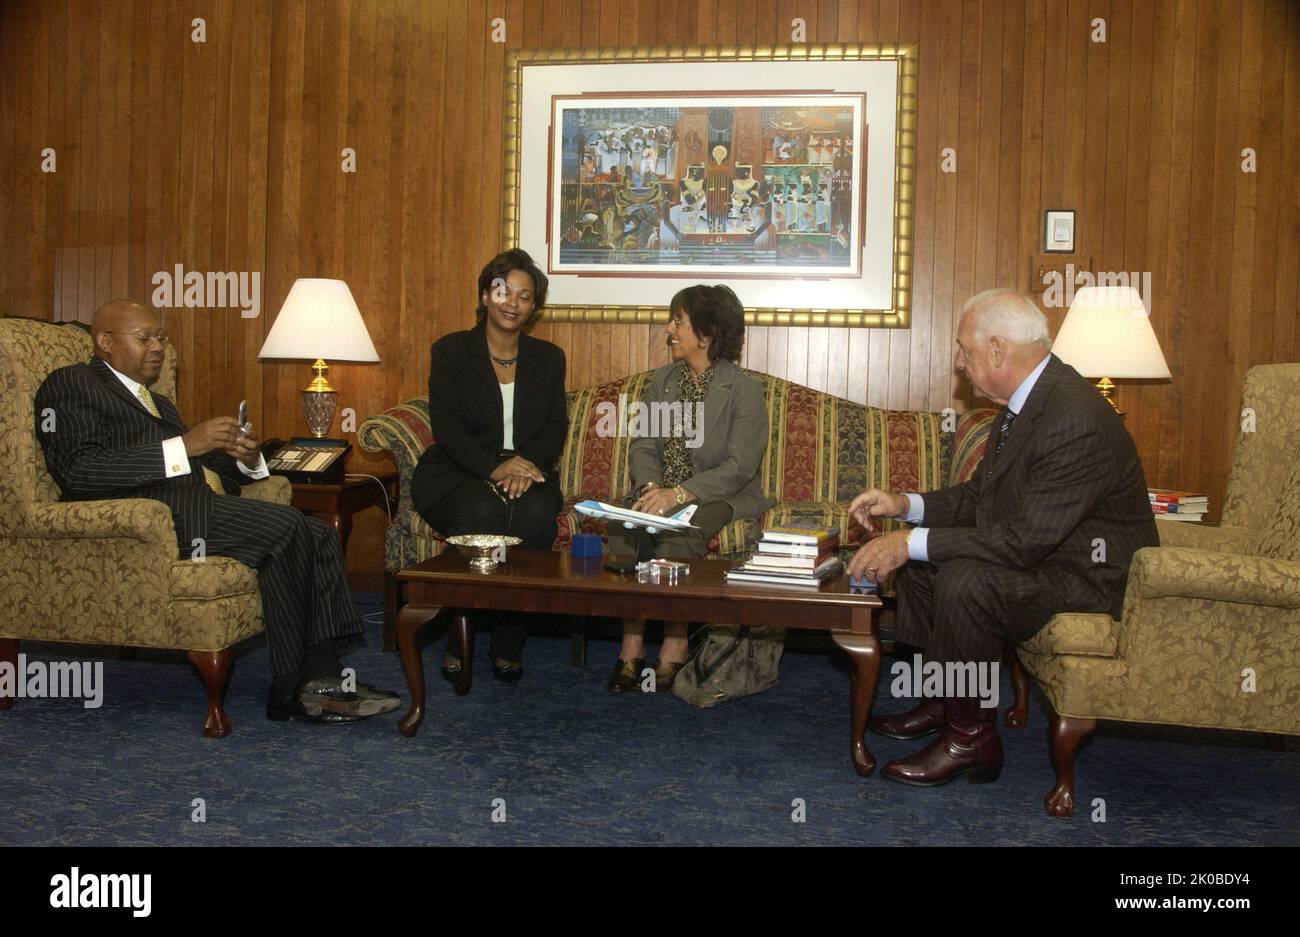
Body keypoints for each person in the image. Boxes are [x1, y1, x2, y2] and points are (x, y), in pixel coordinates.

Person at [846, 288, 1159, 785]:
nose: (959, 362)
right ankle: (947, 700)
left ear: (997, 349)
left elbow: (1024, 541)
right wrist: (905, 506)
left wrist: (906, 543)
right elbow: (980, 499)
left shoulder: (1074, 418)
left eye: (964, 350)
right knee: (928, 562)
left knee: (965, 578)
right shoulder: (1029, 402)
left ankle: (970, 739)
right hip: (1048, 555)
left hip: (1089, 575)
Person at [35, 299, 400, 725]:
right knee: (286, 529)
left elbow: (205, 467)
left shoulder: (158, 403)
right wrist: (187, 445)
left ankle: (324, 677)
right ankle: (290, 691)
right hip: (141, 519)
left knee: (316, 534)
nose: (157, 347)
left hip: (193, 505)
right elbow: (81, 472)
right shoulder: (71, 384)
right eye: (145, 338)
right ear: (105, 342)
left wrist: (244, 457)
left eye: (161, 339)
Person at [411, 248, 567, 684]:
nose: (512, 303)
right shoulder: (451, 351)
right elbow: (448, 430)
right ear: (484, 296)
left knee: (535, 516)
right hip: (459, 470)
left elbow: (556, 426)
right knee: (484, 513)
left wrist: (525, 465)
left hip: (528, 472)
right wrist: (496, 469)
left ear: (533, 306)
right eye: (502, 291)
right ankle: (458, 637)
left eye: (524, 296)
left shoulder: (549, 359)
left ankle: (507, 643)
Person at [607, 284, 773, 693]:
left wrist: (679, 495)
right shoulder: (663, 382)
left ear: (707, 334)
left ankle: (674, 645)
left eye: (678, 322)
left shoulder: (743, 389)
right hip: (661, 489)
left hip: (720, 495)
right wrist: (650, 488)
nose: (669, 329)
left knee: (679, 534)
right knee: (622, 528)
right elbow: (644, 445)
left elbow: (738, 467)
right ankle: (631, 644)